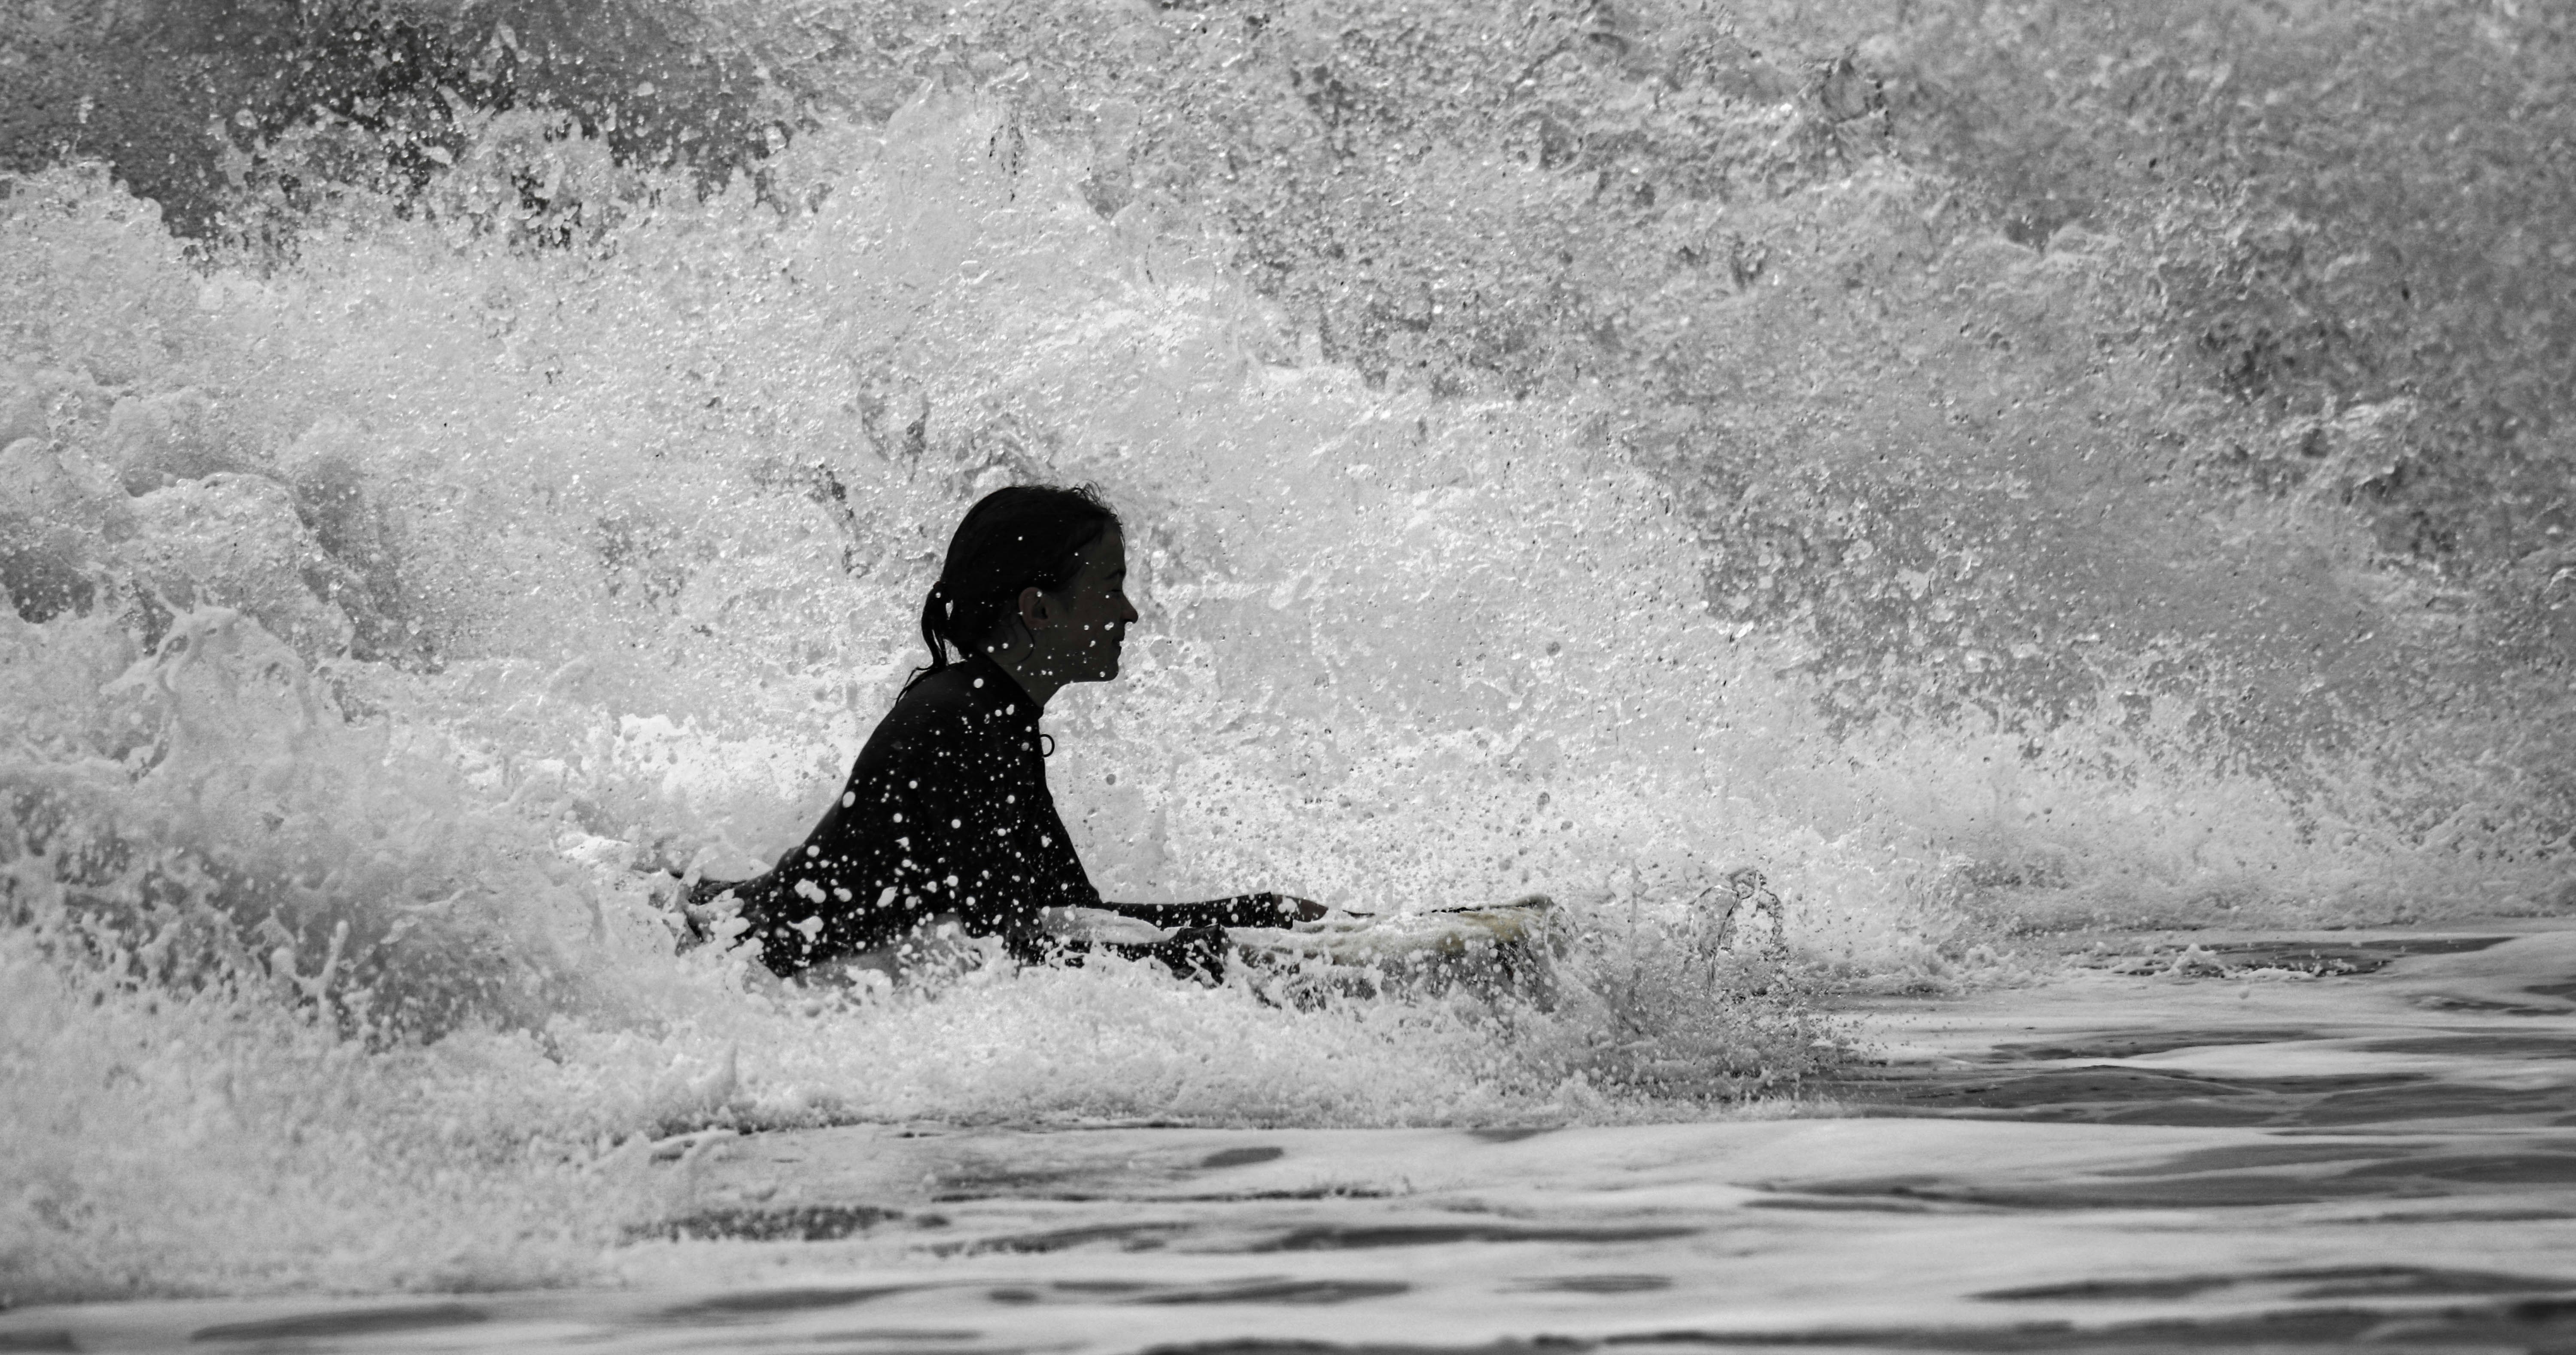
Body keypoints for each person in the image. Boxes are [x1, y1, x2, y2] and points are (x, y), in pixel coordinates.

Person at [681, 483, 1322, 982]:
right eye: (1111, 587)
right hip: (721, 956)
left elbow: (1073, 914)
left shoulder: (994, 713)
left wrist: (1272, 918)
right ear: (1038, 609)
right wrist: (1242, 952)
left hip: (737, 941)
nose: (1129, 612)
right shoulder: (962, 721)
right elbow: (1025, 939)